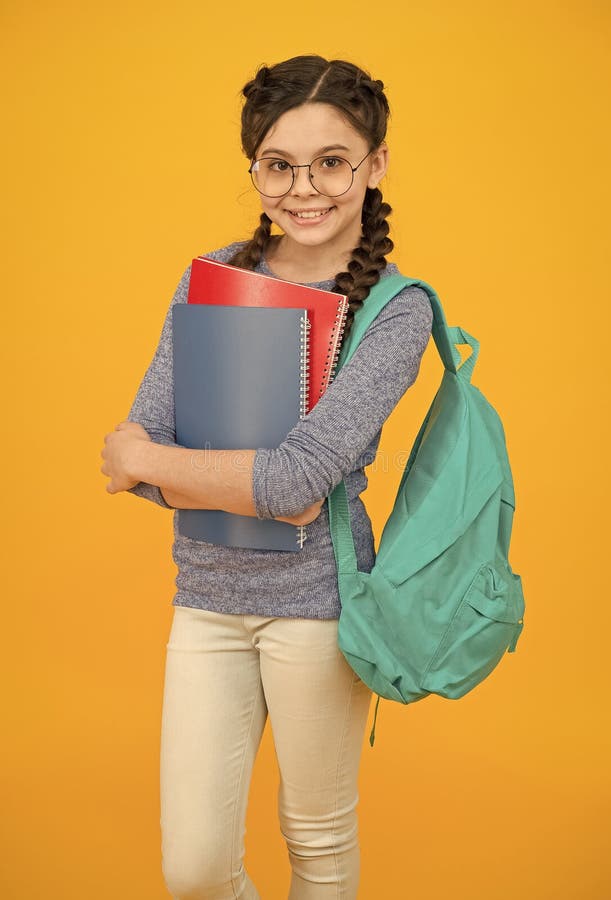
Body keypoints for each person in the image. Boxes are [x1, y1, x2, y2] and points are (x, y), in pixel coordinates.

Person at [101, 54, 433, 900]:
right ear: (253, 166)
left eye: (331, 162)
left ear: (375, 165)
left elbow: (292, 483)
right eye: (278, 164)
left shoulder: (395, 310)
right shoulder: (212, 277)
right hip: (205, 596)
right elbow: (131, 455)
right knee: (195, 868)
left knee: (317, 845)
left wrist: (161, 463)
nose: (304, 187)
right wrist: (177, 466)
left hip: (321, 609)